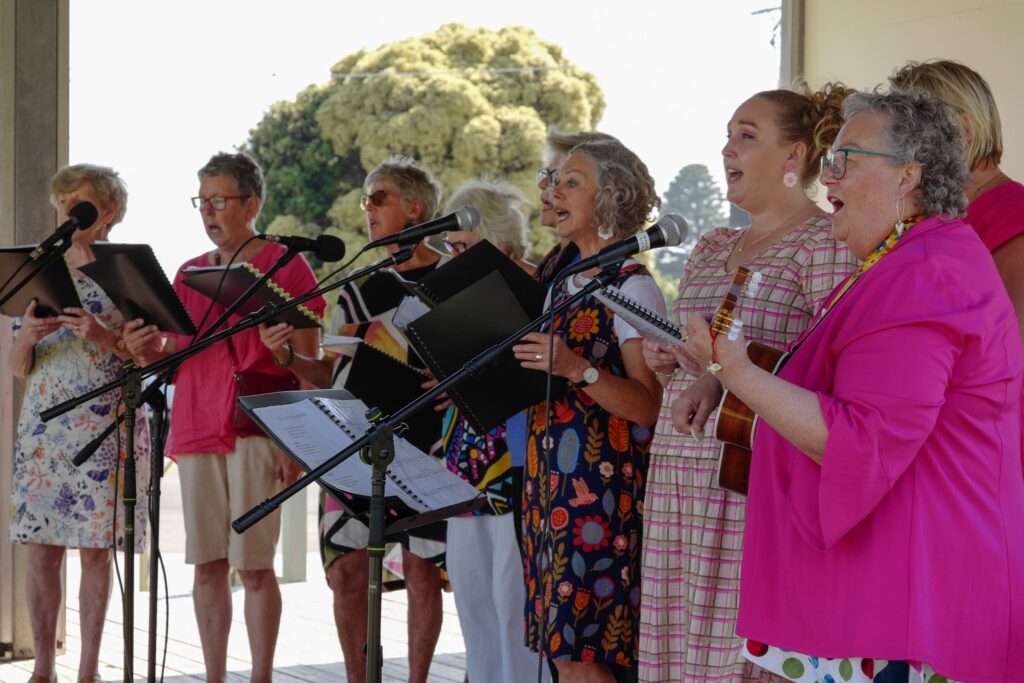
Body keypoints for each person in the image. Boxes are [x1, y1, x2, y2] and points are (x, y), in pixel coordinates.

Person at [680, 90, 1024, 682]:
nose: (826, 176)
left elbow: (860, 440)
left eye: (843, 160)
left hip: (911, 594)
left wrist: (734, 371)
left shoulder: (924, 274)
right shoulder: (905, 259)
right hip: (897, 584)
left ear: (908, 176)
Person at [637, 84, 858, 682]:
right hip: (680, 475)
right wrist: (674, 361)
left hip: (750, 485)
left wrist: (723, 372)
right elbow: (703, 354)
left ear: (794, 156)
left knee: (734, 656)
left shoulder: (824, 245)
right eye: (728, 134)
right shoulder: (712, 246)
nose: (727, 148)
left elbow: (828, 371)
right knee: (675, 647)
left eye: (746, 135)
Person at [123, 152, 325, 683]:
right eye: (202, 202)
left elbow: (314, 365)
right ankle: (214, 677)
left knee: (255, 566)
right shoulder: (190, 271)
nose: (209, 212)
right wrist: (143, 349)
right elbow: (173, 353)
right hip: (195, 427)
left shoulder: (286, 265)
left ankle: (259, 676)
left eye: (219, 200)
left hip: (258, 428)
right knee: (207, 564)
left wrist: (294, 441)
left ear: (252, 204)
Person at [257, 155, 446, 683]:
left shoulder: (453, 279)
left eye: (379, 197)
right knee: (344, 571)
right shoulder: (359, 286)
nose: (368, 208)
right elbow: (328, 374)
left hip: (428, 445)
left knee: (421, 571)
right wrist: (288, 359)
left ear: (415, 208)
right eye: (366, 199)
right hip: (353, 445)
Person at [511, 138, 665, 683]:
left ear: (610, 200)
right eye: (554, 180)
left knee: (585, 654)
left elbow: (649, 405)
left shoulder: (632, 287)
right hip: (546, 485)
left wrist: (580, 369)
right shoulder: (560, 280)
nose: (553, 190)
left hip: (600, 497)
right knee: (562, 651)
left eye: (571, 182)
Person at [9, 164, 150, 683]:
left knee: (96, 553)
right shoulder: (37, 271)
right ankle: (43, 667)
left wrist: (102, 335)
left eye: (81, 204)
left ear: (108, 211)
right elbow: (19, 368)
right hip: (44, 436)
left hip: (107, 429)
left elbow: (151, 356)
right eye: (63, 202)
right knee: (41, 552)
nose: (68, 212)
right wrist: (26, 338)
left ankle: (89, 669)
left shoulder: (129, 273)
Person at [434, 177, 539, 683]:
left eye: (458, 246)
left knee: (512, 601)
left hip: (517, 468)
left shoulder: (537, 292)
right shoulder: (456, 296)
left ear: (497, 241)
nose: (448, 257)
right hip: (465, 467)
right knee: (473, 597)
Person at [889, 59, 1024, 335]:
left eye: (908, 131)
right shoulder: (938, 214)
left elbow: (1011, 348)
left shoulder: (1014, 215)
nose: (895, 146)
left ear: (963, 130)